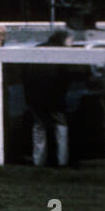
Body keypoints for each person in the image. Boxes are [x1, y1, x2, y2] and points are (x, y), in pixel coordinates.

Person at [24, 30, 73, 168]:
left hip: (34, 98)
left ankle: (38, 161)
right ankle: (62, 161)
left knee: (39, 127)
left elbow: (26, 74)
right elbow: (65, 77)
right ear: (63, 40)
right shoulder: (62, 52)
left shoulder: (37, 49)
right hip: (54, 97)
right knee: (61, 126)